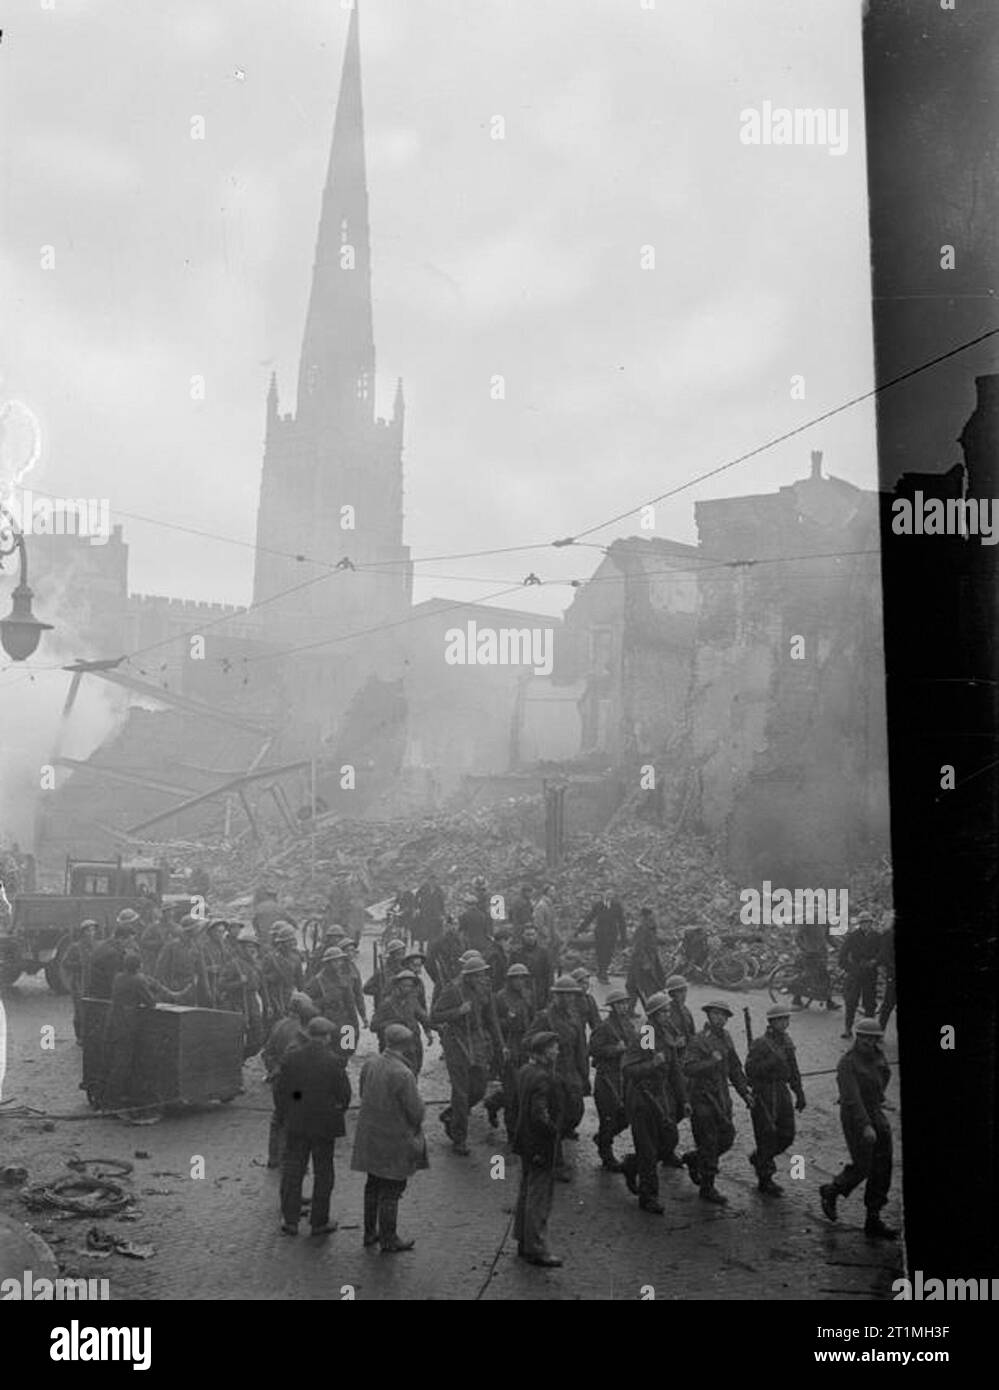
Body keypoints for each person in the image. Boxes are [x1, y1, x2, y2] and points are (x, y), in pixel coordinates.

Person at [351, 1023, 428, 1253]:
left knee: (372, 1185)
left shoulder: (371, 1063)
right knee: (392, 1189)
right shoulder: (403, 1073)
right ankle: (389, 1238)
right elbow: (416, 1111)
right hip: (394, 1138)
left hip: (371, 1135)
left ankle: (369, 1233)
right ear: (406, 1045)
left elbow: (363, 1093)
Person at [819, 1018, 897, 1239]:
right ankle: (832, 1190)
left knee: (883, 1166)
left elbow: (885, 1075)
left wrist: (880, 1098)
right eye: (863, 1036)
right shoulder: (848, 1062)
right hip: (855, 1116)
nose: (867, 1041)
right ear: (857, 1037)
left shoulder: (878, 1057)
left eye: (872, 1038)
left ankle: (873, 1218)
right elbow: (851, 1098)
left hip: (875, 1111)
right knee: (864, 1165)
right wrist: (865, 1126)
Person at [275, 1016, 352, 1237]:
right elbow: (345, 1095)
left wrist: (284, 1115)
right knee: (323, 1173)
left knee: (293, 1171)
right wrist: (337, 1112)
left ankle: (290, 1220)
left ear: (308, 1034)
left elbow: (281, 1092)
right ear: (327, 1037)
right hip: (324, 1126)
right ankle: (319, 1222)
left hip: (297, 1124)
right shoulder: (335, 1061)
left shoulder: (292, 1058)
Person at [430, 955, 505, 1155]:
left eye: (484, 974)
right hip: (456, 1043)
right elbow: (434, 1016)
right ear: (469, 976)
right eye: (478, 975)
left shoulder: (485, 989)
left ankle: (451, 1115)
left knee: (479, 1089)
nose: (483, 978)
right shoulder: (453, 990)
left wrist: (500, 1045)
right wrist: (458, 1011)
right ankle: (459, 1139)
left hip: (478, 1042)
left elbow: (492, 1019)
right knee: (461, 1093)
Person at [620, 992, 688, 1213]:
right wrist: (652, 1064)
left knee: (669, 1140)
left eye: (669, 1011)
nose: (668, 1015)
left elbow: (675, 1070)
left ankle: (632, 1164)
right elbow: (629, 1069)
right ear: (654, 1015)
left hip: (661, 1096)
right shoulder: (647, 1034)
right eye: (664, 1012)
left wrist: (683, 1099)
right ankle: (648, 1197)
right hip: (642, 1097)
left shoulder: (667, 1032)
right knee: (648, 1149)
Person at [681, 1000, 753, 1205]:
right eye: (716, 1014)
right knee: (710, 1141)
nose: (720, 1018)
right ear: (708, 1016)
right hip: (702, 1098)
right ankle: (707, 1187)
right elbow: (688, 1068)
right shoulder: (698, 1041)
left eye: (723, 1015)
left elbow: (735, 1069)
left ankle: (695, 1159)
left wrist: (744, 1092)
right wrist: (711, 1061)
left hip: (721, 1097)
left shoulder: (727, 1038)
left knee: (727, 1137)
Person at [526, 975, 590, 1179]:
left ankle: (543, 1147)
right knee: (556, 1116)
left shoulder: (575, 1016)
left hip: (571, 1072)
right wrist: (546, 1045)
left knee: (575, 1114)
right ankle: (555, 1162)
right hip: (551, 1073)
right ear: (556, 996)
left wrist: (585, 1076)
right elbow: (527, 1041)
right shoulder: (545, 1017)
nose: (569, 999)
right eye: (564, 995)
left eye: (572, 995)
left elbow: (581, 1047)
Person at [510, 1031, 564, 1267]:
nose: (557, 1051)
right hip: (540, 1144)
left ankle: (523, 1241)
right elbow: (539, 1114)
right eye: (553, 1048)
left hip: (525, 1142)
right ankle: (537, 1247)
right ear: (543, 1052)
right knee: (539, 1197)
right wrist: (554, 1131)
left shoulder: (524, 1071)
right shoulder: (543, 1078)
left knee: (526, 1192)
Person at [745, 1003, 806, 1197]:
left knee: (787, 1135)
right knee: (766, 1135)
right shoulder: (760, 1043)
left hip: (781, 1090)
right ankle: (765, 1179)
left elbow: (793, 1069)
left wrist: (799, 1092)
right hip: (764, 1092)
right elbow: (750, 1071)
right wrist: (772, 1061)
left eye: (786, 1019)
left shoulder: (786, 1041)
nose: (784, 1023)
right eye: (781, 1019)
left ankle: (759, 1158)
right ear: (772, 1022)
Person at [262, 991, 316, 1168]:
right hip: (296, 1085)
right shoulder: (302, 1031)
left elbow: (266, 1053)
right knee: (296, 1118)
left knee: (278, 1116)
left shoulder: (279, 1025)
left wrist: (274, 1071)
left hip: (278, 1082)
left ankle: (273, 1158)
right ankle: (289, 1159)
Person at [101, 952, 158, 1111]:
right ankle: (112, 1101)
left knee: (116, 1063)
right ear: (138, 967)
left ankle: (113, 1097)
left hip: (113, 1023)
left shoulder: (118, 977)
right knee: (122, 1065)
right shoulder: (138, 980)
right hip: (126, 1027)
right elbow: (151, 1002)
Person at [485, 961, 535, 1136]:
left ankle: (493, 1103)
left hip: (525, 1045)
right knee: (513, 1091)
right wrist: (508, 1020)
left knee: (521, 1088)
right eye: (516, 978)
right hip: (508, 1045)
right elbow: (492, 1023)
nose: (520, 981)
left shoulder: (528, 995)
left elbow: (533, 1018)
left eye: (523, 978)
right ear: (509, 979)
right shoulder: (500, 997)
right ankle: (513, 1133)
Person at [588, 986, 634, 1173]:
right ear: (612, 1007)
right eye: (619, 1004)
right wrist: (615, 1050)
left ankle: (602, 1138)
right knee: (608, 1117)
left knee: (625, 1117)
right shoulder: (604, 1027)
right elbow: (593, 1049)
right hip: (607, 1078)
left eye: (625, 1003)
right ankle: (606, 1155)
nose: (623, 1007)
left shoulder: (629, 1025)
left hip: (624, 1077)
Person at [370, 970, 433, 1076]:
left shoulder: (412, 1000)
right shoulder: (387, 1003)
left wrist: (429, 1031)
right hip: (394, 1046)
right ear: (398, 986)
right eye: (404, 986)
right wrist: (393, 1022)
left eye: (410, 986)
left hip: (413, 1042)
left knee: (414, 1071)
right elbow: (374, 1026)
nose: (407, 989)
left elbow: (423, 1017)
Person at [305, 947, 359, 1058]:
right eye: (335, 961)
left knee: (346, 1052)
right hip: (325, 1022)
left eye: (340, 960)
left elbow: (350, 1005)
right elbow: (306, 1003)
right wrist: (322, 1002)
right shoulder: (317, 981)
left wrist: (354, 1026)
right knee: (325, 1054)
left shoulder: (343, 980)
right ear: (327, 963)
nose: (339, 964)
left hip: (344, 1022)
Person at [838, 913, 882, 1038]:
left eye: (867, 922)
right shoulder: (853, 936)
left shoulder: (877, 936)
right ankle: (848, 1029)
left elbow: (882, 953)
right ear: (860, 924)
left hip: (870, 974)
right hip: (855, 974)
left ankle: (868, 1031)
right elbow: (843, 955)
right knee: (851, 1002)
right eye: (863, 923)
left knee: (869, 1003)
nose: (865, 925)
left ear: (871, 923)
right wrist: (850, 968)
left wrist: (875, 962)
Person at [577, 888, 627, 984]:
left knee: (609, 954)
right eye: (608, 894)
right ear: (604, 895)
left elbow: (621, 922)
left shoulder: (617, 906)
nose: (609, 896)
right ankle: (602, 972)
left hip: (612, 934)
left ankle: (603, 971)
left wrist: (623, 938)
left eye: (611, 894)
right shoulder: (598, 905)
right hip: (600, 934)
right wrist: (580, 930)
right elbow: (590, 917)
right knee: (600, 953)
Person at [88, 912, 140, 1000]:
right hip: (102, 994)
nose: (131, 944)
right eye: (129, 941)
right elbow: (114, 981)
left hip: (98, 990)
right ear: (121, 939)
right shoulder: (112, 954)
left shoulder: (108, 944)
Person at [261, 921, 304, 1024]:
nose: (290, 944)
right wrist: (268, 1004)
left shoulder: (296, 959)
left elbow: (300, 982)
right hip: (274, 996)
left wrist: (302, 997)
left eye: (291, 941)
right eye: (286, 941)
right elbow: (262, 982)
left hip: (289, 996)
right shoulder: (270, 958)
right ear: (280, 943)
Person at [62, 919, 97, 1045]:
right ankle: (80, 1036)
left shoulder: (95, 946)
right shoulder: (75, 947)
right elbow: (65, 963)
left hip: (91, 982)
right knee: (79, 1011)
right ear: (83, 932)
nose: (91, 933)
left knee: (91, 1010)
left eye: (93, 930)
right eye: (88, 930)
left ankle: (89, 1035)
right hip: (78, 983)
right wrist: (79, 965)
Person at [792, 919, 840, 1011]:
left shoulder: (825, 922)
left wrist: (838, 947)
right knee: (808, 976)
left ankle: (829, 1002)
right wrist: (805, 949)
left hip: (821, 955)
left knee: (825, 978)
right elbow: (798, 938)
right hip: (809, 955)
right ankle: (796, 999)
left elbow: (829, 937)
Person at [626, 906, 666, 1002]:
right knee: (640, 986)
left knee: (636, 986)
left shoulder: (647, 928)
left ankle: (653, 1008)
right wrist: (645, 963)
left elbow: (649, 942)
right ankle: (651, 1007)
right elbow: (640, 946)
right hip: (643, 962)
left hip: (643, 961)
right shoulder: (645, 928)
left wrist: (665, 940)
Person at [511, 924, 554, 1011]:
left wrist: (549, 994)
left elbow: (549, 975)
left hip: (540, 991)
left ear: (536, 936)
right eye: (528, 935)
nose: (530, 937)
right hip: (522, 990)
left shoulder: (544, 953)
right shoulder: (516, 954)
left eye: (532, 934)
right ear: (523, 936)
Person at [426, 916, 465, 1000]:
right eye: (451, 925)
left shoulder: (462, 942)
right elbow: (429, 963)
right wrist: (437, 978)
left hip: (459, 983)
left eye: (456, 924)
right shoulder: (437, 943)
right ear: (445, 926)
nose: (454, 927)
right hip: (443, 983)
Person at [363, 938, 406, 1011]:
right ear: (392, 955)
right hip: (383, 1010)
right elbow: (366, 989)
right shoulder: (381, 972)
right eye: (398, 954)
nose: (401, 957)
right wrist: (380, 991)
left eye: (402, 954)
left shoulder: (405, 971)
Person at [664, 975, 696, 1052]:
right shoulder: (666, 1012)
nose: (684, 994)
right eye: (680, 991)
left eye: (685, 990)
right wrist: (673, 1043)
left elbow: (692, 1032)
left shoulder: (686, 1010)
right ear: (671, 994)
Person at [414, 872, 446, 949]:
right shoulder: (423, 888)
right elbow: (416, 897)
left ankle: (432, 946)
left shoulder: (439, 890)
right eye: (431, 880)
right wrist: (417, 907)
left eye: (434, 880)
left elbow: (442, 902)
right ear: (428, 881)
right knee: (422, 930)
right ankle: (421, 946)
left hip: (435, 913)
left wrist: (442, 913)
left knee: (434, 930)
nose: (433, 882)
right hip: (424, 912)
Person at [569, 966, 601, 1039]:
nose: (585, 986)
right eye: (581, 983)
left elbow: (596, 1024)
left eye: (586, 983)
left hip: (580, 1038)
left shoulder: (589, 1000)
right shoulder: (566, 999)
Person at [877, 913, 896, 1032]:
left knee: (888, 1004)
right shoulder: (888, 934)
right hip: (893, 974)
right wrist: (890, 968)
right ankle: (880, 1030)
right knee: (888, 1003)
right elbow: (884, 954)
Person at [486, 925, 516, 991]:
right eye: (510, 943)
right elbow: (495, 976)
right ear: (502, 941)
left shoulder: (494, 951)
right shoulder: (495, 955)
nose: (510, 946)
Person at [532, 884, 558, 956]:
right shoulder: (541, 905)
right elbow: (539, 923)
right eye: (552, 891)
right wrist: (547, 935)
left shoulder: (550, 905)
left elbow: (552, 922)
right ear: (547, 892)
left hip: (551, 938)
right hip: (544, 939)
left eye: (554, 890)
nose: (554, 893)